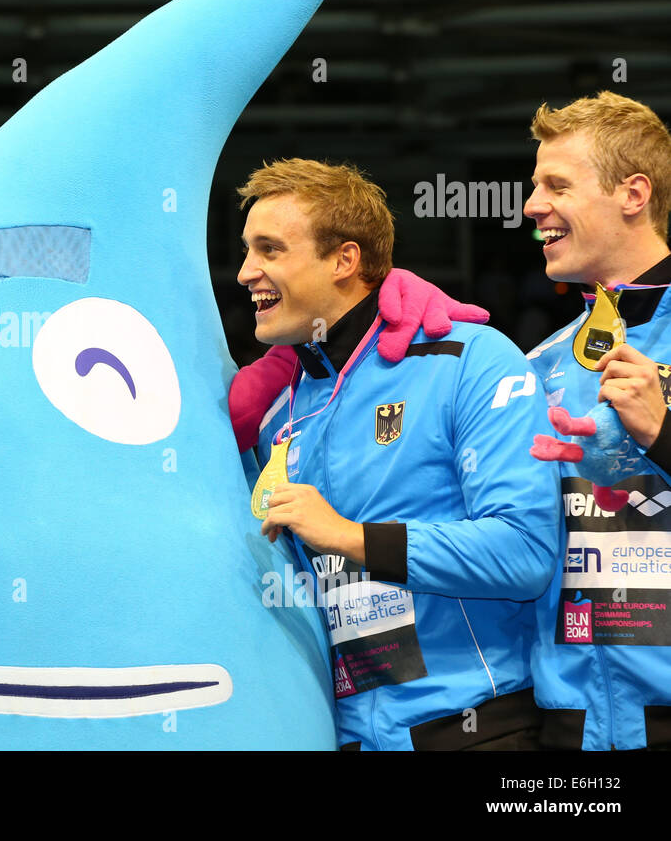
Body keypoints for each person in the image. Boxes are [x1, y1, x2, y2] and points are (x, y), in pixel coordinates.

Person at [242, 159, 560, 750]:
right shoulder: (277, 409)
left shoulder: (468, 359)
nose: (244, 272)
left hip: (474, 732)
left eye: (270, 249)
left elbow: (525, 552)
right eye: (246, 250)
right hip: (346, 737)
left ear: (344, 260)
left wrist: (351, 537)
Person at [522, 91, 671, 749]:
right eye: (535, 186)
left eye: (557, 186)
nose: (532, 206)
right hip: (571, 725)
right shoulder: (535, 365)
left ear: (632, 194)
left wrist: (663, 435)